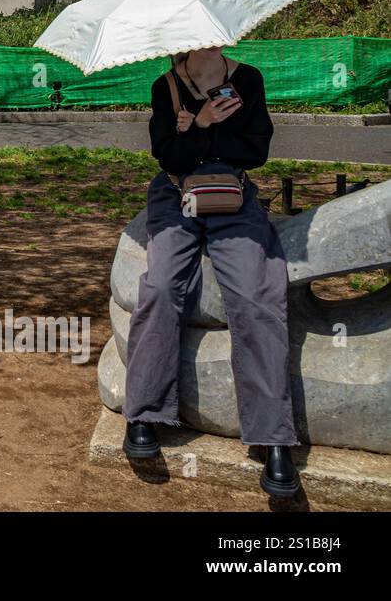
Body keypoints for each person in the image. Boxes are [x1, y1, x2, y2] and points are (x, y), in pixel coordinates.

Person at [122, 45, 300, 498]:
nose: (206, 41)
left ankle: (272, 437)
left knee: (258, 294)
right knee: (161, 286)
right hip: (175, 196)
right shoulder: (165, 87)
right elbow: (167, 156)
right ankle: (143, 412)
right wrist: (201, 124)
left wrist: (204, 135)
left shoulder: (250, 79)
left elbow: (256, 149)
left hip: (233, 193)